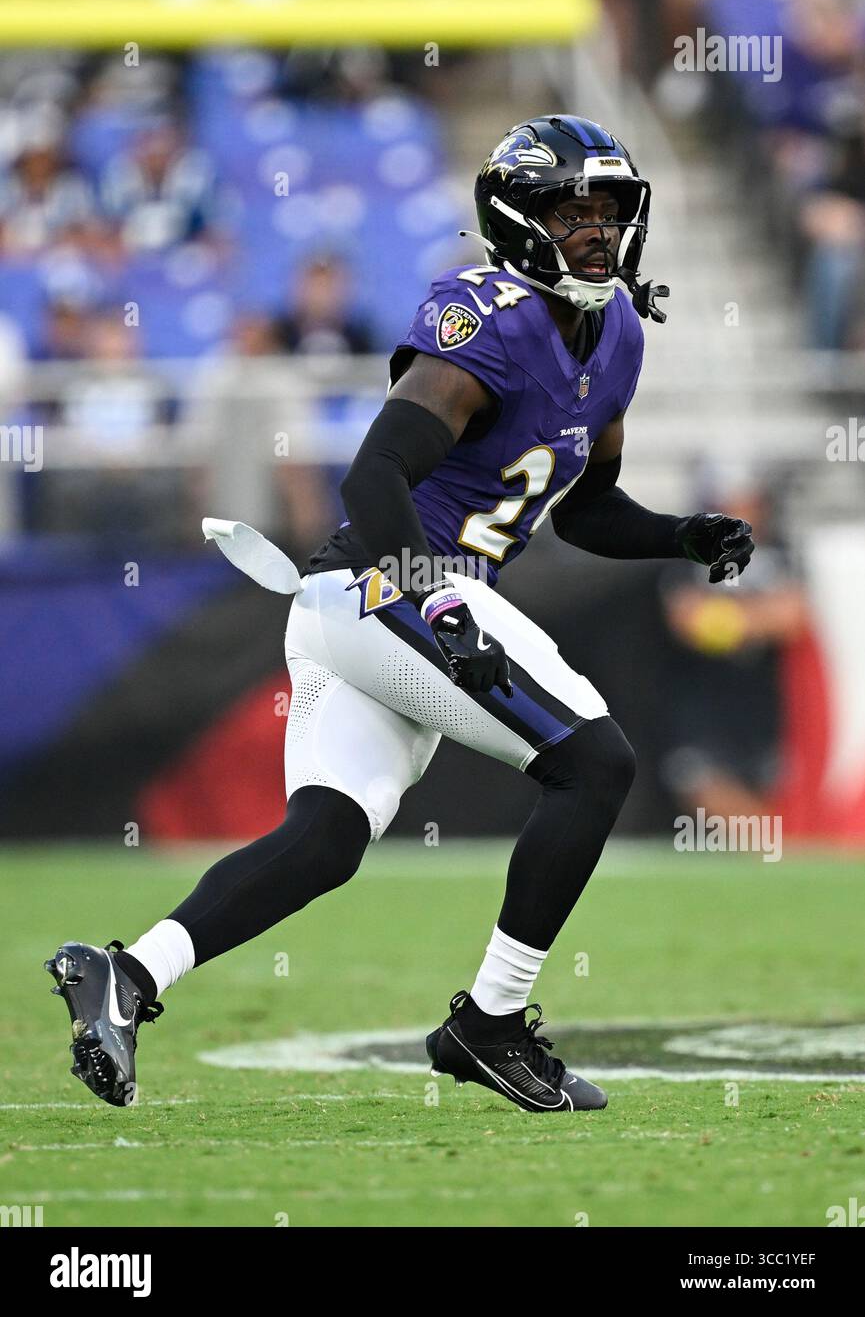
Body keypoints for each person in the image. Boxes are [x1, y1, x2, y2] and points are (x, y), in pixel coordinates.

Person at [45, 115, 754, 1113]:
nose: (595, 230)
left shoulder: (619, 336)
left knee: (326, 839)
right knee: (594, 763)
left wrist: (683, 534)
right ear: (519, 224)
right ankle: (491, 1021)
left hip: (368, 604)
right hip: (395, 583)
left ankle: (125, 975)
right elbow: (376, 471)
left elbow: (585, 506)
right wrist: (431, 595)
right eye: (570, 210)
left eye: (607, 210)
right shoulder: (490, 318)